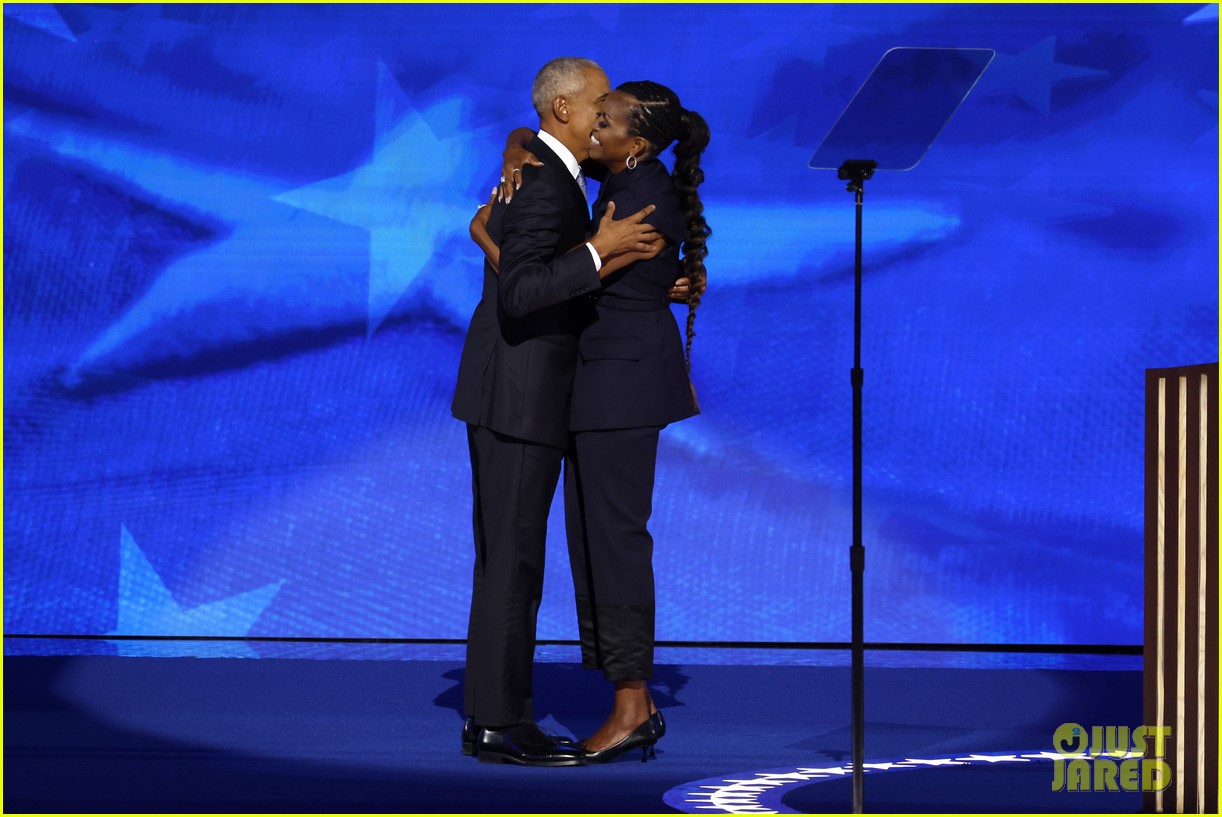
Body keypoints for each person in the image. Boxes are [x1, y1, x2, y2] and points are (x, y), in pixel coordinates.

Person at [473, 80, 710, 764]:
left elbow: (555, 281)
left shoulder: (642, 199)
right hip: (598, 387)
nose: (595, 128)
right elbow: (545, 153)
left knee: (615, 543)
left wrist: (485, 235)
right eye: (595, 114)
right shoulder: (621, 182)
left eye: (607, 121)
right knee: (596, 543)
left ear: (636, 145)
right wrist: (516, 144)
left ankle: (632, 705)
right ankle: (628, 696)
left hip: (620, 388)